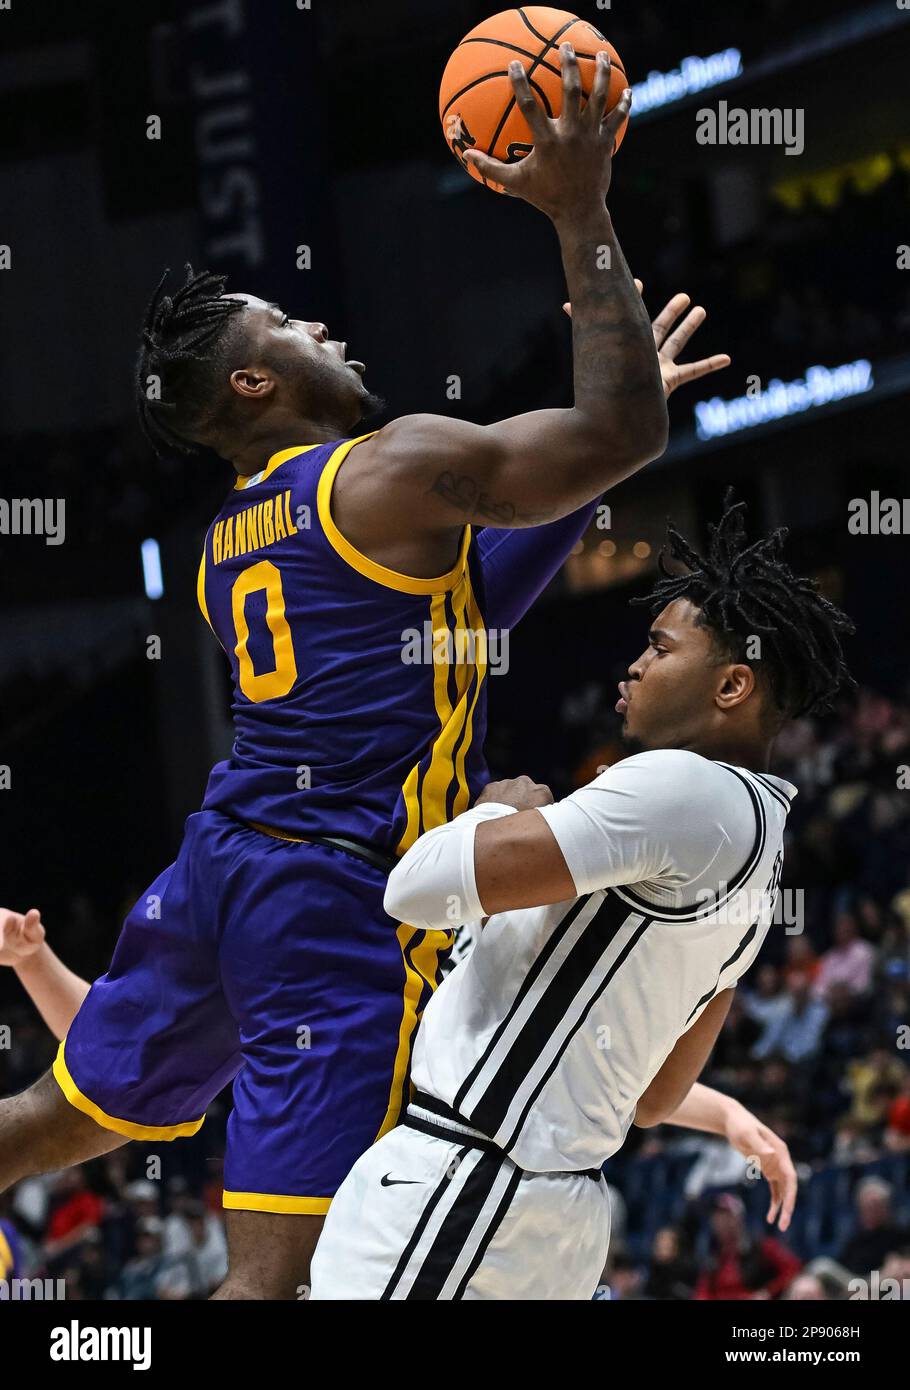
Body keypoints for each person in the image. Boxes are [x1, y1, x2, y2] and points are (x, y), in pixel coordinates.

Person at [0, 48, 730, 1299]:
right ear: (252, 381)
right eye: (289, 327)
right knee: (283, 1281)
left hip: (218, 869)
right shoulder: (386, 468)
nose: (320, 326)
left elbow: (452, 613)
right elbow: (615, 432)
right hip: (325, 899)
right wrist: (578, 206)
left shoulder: (239, 526)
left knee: (53, 1120)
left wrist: (603, 458)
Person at [310, 496, 853, 1299]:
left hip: (463, 1189)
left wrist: (498, 807)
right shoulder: (762, 854)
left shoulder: (681, 787)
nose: (633, 665)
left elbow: (414, 889)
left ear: (733, 684)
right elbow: (655, 1095)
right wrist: (729, 1117)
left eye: (660, 648)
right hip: (548, 1218)